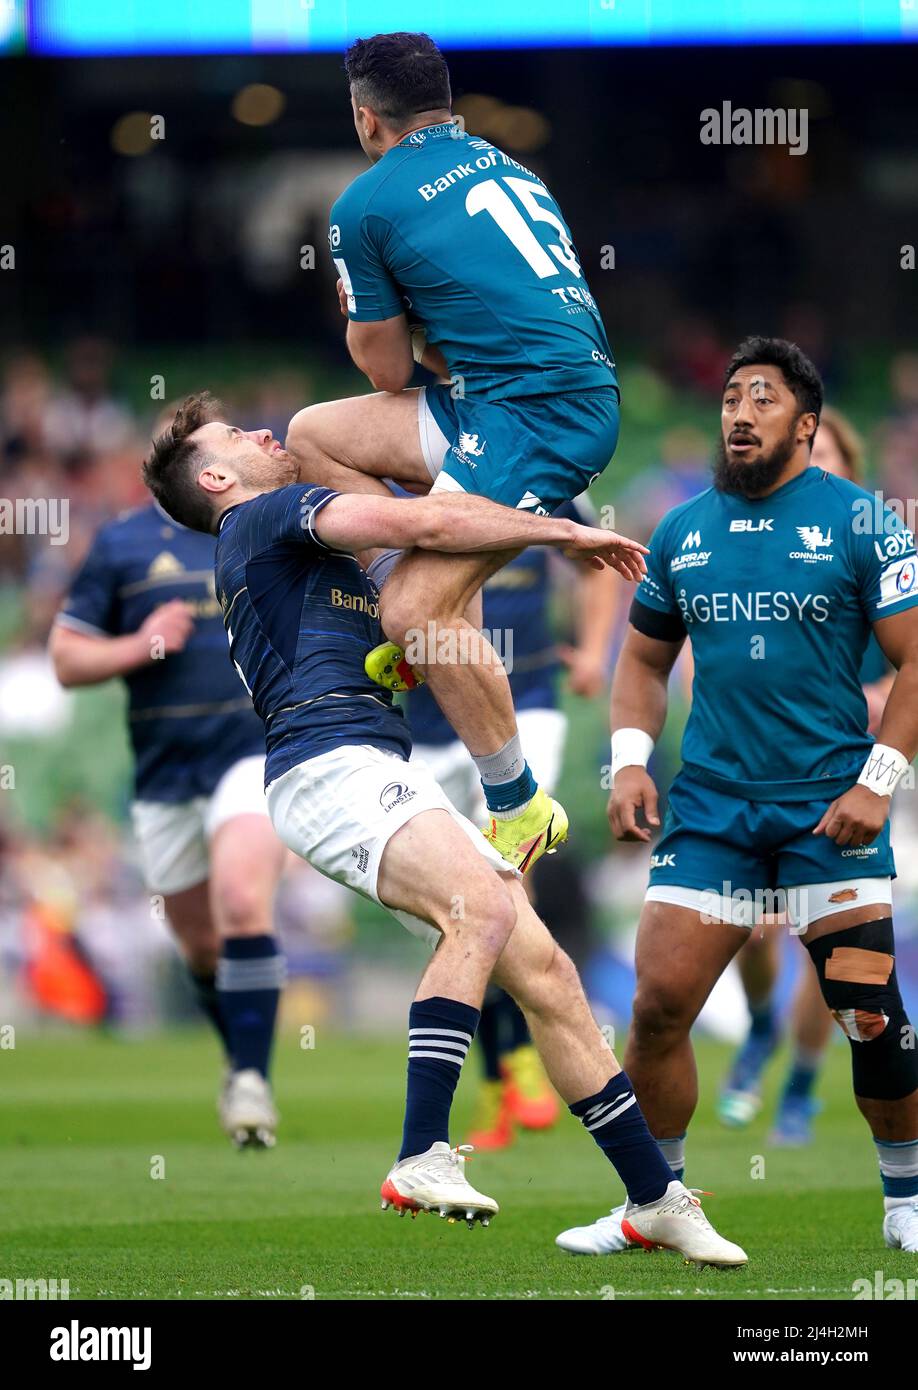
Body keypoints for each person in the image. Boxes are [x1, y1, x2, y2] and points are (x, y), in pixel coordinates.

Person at [139, 390, 746, 1264]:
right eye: (239, 434)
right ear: (219, 475)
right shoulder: (272, 511)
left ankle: (655, 1198)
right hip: (332, 769)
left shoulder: (278, 548)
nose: (266, 433)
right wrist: (562, 531)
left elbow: (411, 587)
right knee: (485, 911)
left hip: (365, 766)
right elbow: (420, 523)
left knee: (549, 976)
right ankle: (422, 1151)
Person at [556, 337, 918, 1257]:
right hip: (712, 810)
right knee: (657, 1006)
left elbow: (915, 662)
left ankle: (906, 1200)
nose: (740, 413)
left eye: (762, 399)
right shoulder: (683, 528)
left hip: (827, 810)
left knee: (869, 1015)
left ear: (805, 425)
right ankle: (656, 1203)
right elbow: (641, 659)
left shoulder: (867, 522)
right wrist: (632, 760)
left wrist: (879, 784)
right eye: (729, 398)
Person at [286, 31, 622, 874]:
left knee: (410, 612)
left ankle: (517, 806)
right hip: (510, 397)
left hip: (536, 415)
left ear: (367, 118)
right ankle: (425, 603)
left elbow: (390, 368)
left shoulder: (364, 204)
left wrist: (358, 314)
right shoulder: (510, 166)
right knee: (313, 437)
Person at [50, 457, 287, 1148]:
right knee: (201, 943)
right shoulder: (122, 543)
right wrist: (140, 643)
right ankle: (238, 1056)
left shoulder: (259, 528)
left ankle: (251, 1078)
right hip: (163, 772)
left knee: (243, 901)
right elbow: (67, 659)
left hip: (252, 752)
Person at [406, 492, 619, 1148]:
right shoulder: (396, 473)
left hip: (522, 708)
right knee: (458, 905)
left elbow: (597, 561)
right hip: (424, 724)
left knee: (501, 877)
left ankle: (518, 1066)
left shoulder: (540, 469)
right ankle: (501, 1076)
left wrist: (593, 650)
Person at [718, 406, 895, 1145]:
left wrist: (876, 731)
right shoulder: (753, 544)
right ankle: (761, 1030)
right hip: (758, 780)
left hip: (856, 779)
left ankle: (795, 1090)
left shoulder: (874, 543)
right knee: (756, 934)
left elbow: (902, 671)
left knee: (836, 956)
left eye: (826, 455)